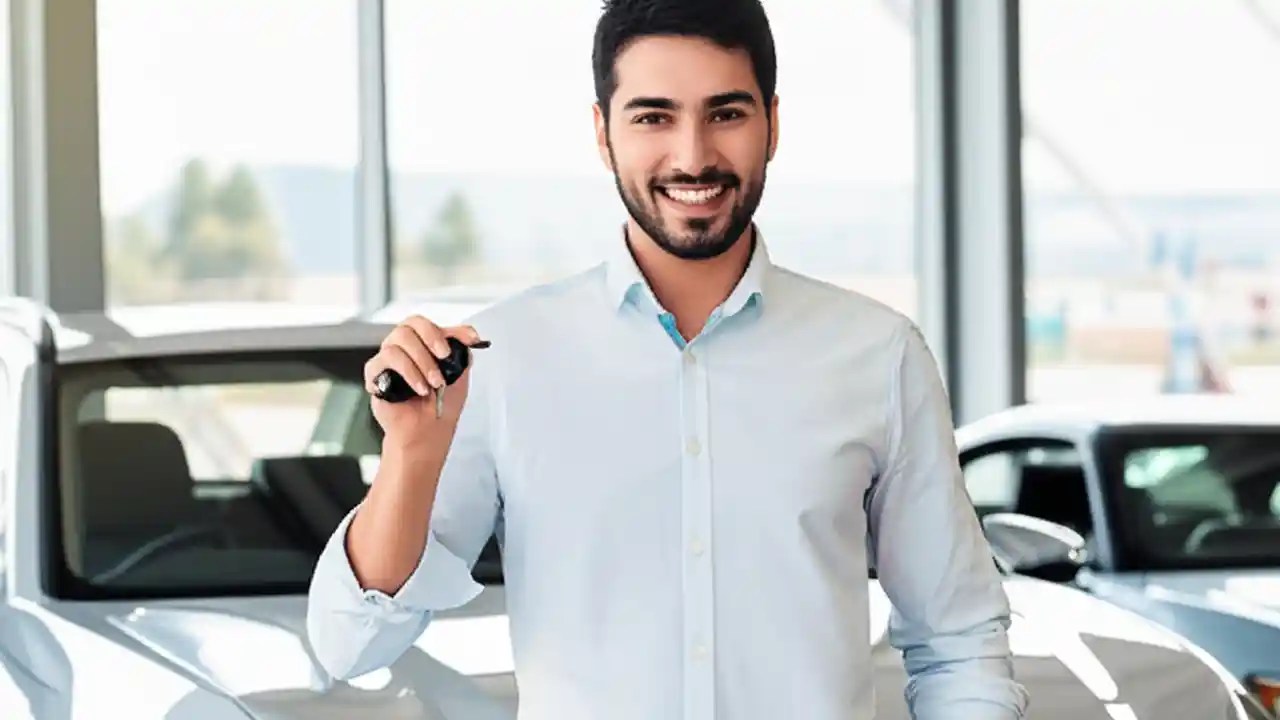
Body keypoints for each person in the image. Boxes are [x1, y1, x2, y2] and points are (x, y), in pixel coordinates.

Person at [306, 1, 1030, 718]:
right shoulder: (506, 359)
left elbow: (959, 642)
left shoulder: (877, 355)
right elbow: (350, 644)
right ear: (603, 132)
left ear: (772, 124)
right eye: (653, 116)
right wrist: (409, 455)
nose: (693, 156)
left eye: (726, 113)